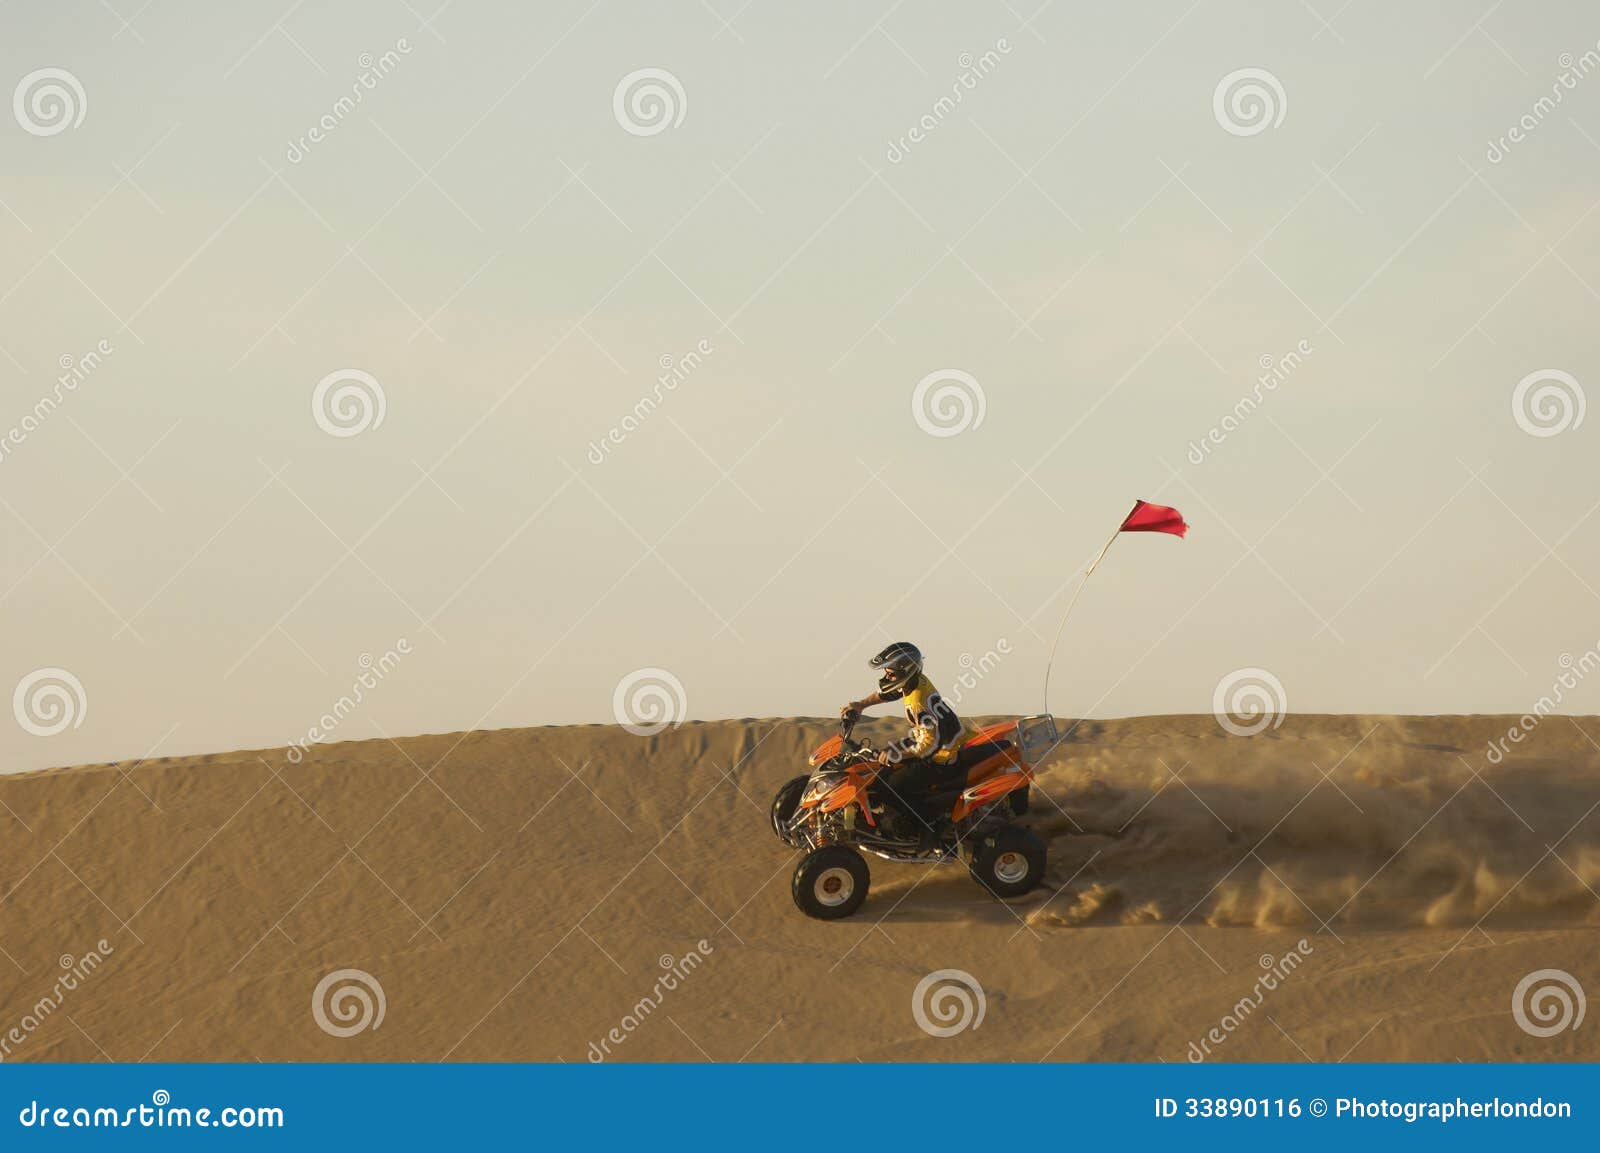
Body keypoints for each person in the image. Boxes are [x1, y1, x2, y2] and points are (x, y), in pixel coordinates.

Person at [840, 641, 971, 849]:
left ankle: (932, 824)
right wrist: (861, 704)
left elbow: (930, 746)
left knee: (889, 787)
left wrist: (897, 755)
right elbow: (889, 693)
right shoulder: (914, 683)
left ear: (905, 672)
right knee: (881, 769)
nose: (886, 678)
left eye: (890, 674)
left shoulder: (919, 700)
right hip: (928, 741)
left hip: (942, 757)